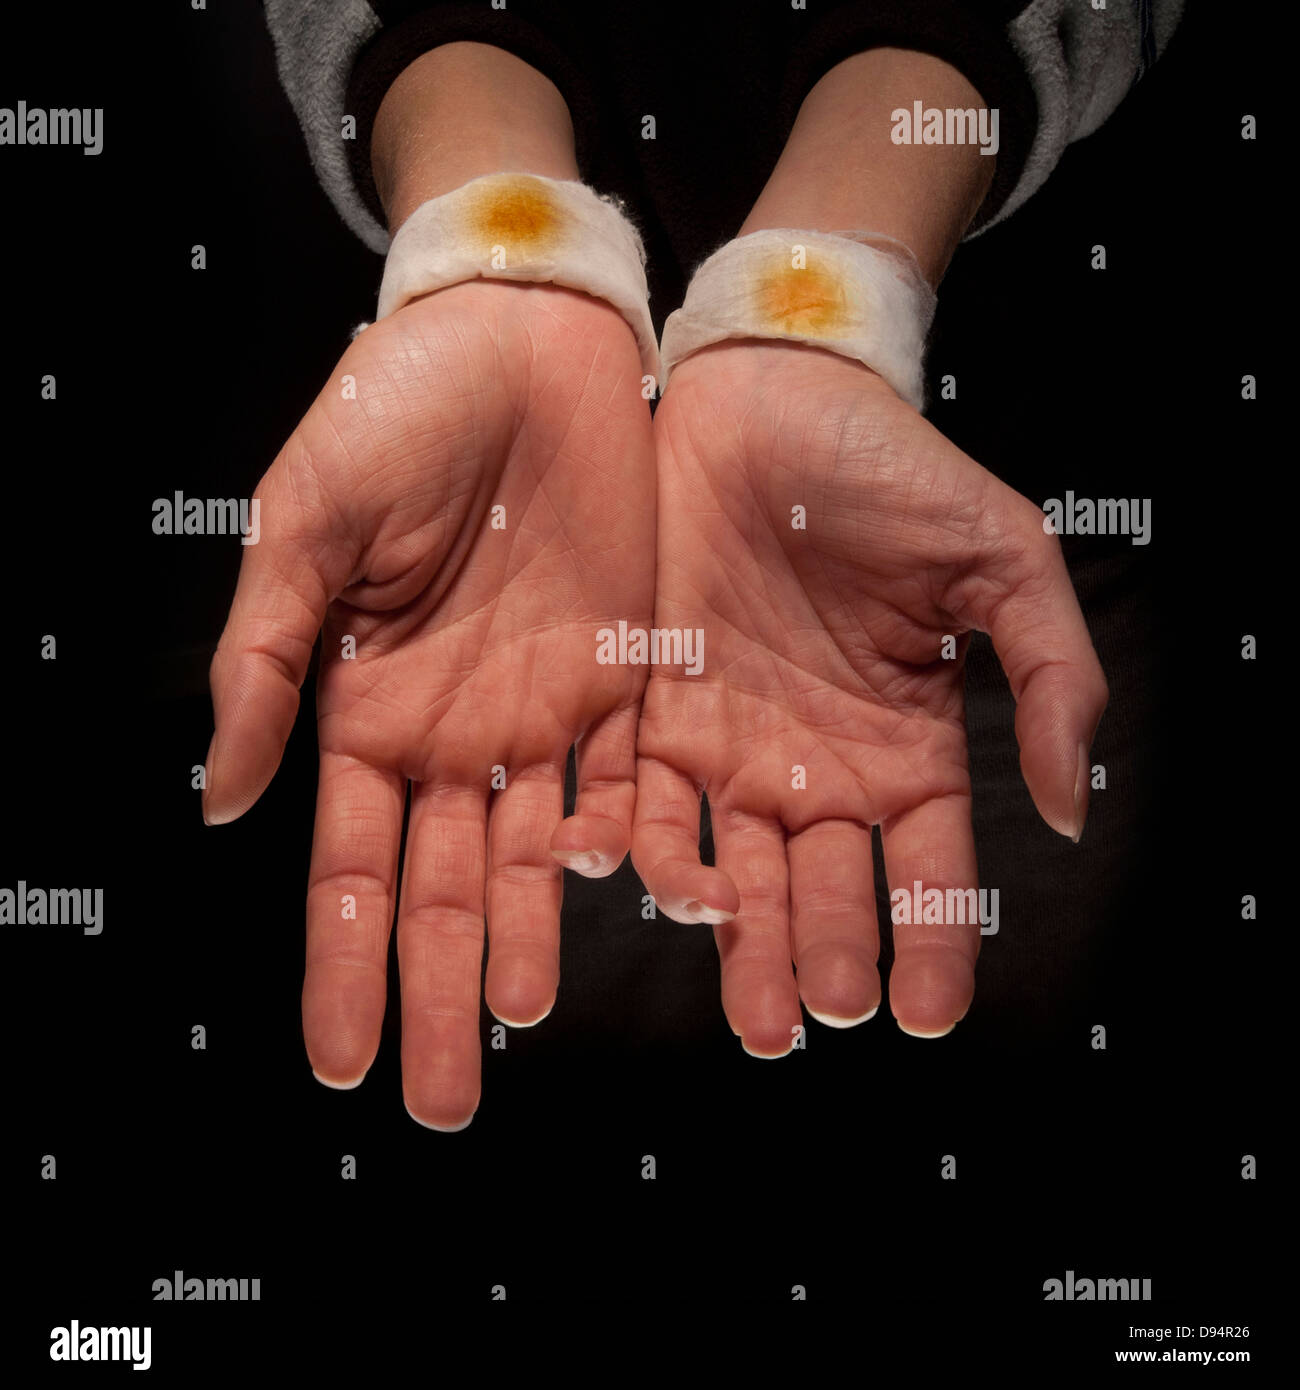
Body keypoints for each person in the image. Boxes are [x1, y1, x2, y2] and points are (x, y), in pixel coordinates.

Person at [203, 2, 1183, 1128]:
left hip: (947, 560)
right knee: (544, 1030)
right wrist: (503, 250)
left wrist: (821, 303)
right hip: (500, 586)